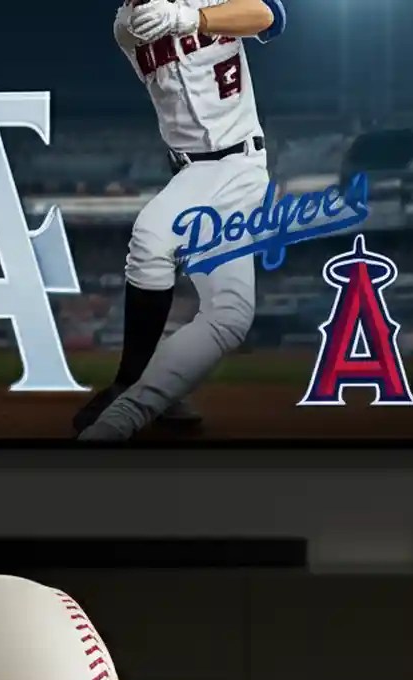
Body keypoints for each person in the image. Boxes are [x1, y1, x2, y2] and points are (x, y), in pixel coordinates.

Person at [73, 0, 286, 441]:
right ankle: (149, 394)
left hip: (240, 162)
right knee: (229, 315)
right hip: (194, 172)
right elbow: (146, 25)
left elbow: (271, 17)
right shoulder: (127, 26)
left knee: (151, 237)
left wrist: (194, 18)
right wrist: (174, 18)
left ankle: (129, 389)